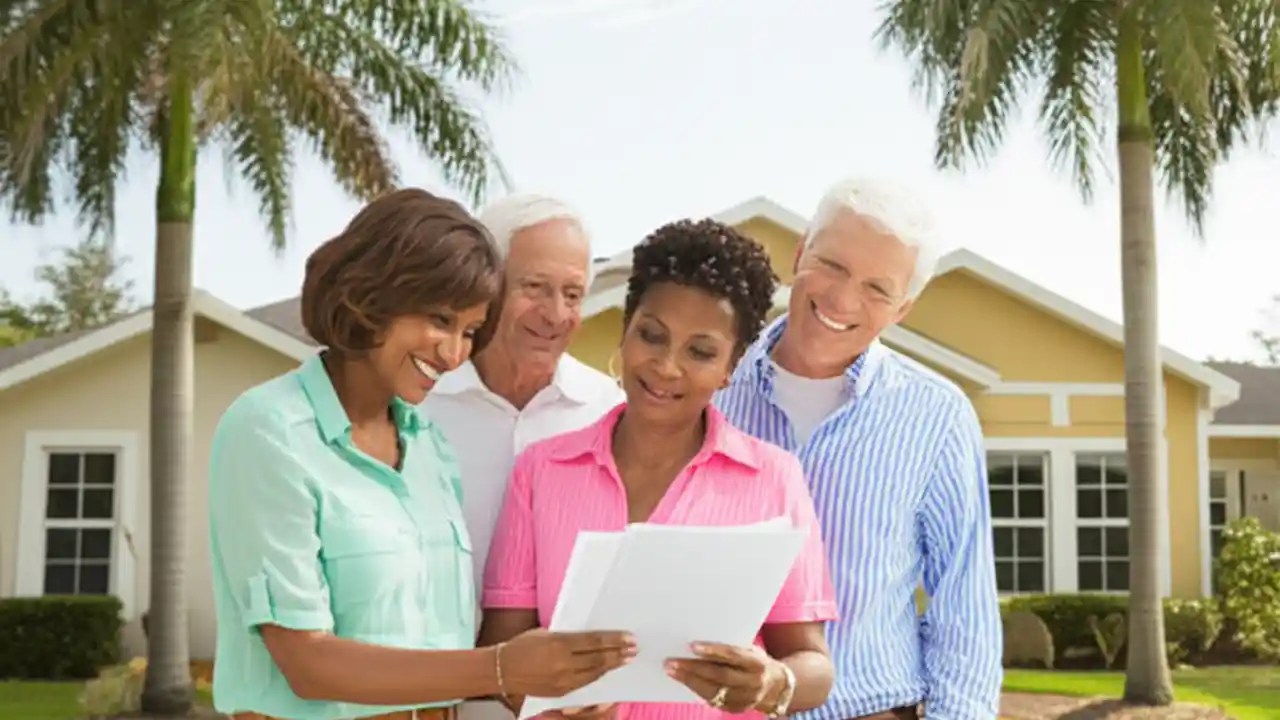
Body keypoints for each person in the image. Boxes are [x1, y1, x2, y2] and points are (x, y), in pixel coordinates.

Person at [207, 188, 636, 720]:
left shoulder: (428, 443)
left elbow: (441, 648)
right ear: (370, 297)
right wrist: (502, 668)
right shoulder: (271, 431)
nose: (453, 353)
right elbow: (306, 662)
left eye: (470, 332)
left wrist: (549, 698)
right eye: (439, 319)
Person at [479, 219, 839, 720]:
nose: (667, 367)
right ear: (625, 330)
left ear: (730, 366)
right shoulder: (542, 470)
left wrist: (772, 682)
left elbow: (814, 666)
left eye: (700, 352)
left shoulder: (774, 478)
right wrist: (556, 707)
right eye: (652, 336)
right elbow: (500, 653)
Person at [714, 178, 1003, 720]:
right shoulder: (710, 387)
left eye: (877, 289)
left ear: (903, 308)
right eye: (833, 265)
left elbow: (964, 610)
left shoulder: (938, 416)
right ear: (800, 252)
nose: (843, 300)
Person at [421, 192, 623, 591]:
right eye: (534, 287)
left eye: (572, 295)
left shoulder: (611, 412)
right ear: (486, 286)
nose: (555, 314)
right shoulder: (419, 404)